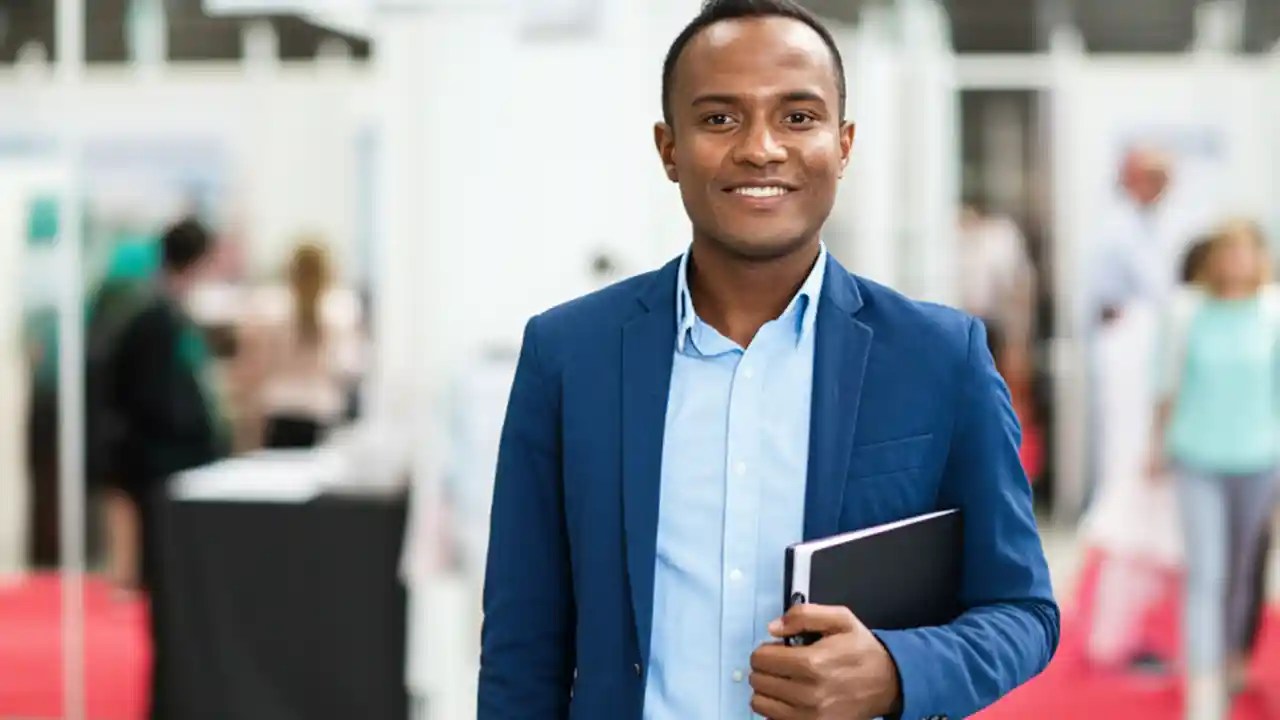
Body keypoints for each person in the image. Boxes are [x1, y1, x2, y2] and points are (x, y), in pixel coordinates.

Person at [478, 2, 1059, 718]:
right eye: (720, 118)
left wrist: (895, 671)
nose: (760, 148)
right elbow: (520, 649)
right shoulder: (570, 356)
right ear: (669, 148)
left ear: (843, 145)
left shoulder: (940, 359)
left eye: (798, 117)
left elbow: (1022, 611)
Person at [98, 217, 228, 719]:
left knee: (175, 597)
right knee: (169, 596)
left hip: (173, 473)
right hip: (164, 473)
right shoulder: (154, 321)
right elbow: (154, 402)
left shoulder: (164, 316)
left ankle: (174, 695)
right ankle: (169, 700)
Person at [1151, 220, 1280, 720]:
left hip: (1259, 459)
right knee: (1206, 572)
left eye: (1244, 252)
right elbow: (1166, 382)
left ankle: (1230, 659)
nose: (1235, 262)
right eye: (1227, 252)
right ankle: (1202, 687)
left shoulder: (1271, 313)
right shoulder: (1187, 311)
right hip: (1197, 457)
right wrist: (1155, 445)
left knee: (1243, 574)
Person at [234, 241, 362, 449]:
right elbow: (347, 368)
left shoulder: (269, 310)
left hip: (280, 412)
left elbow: (254, 369)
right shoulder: (341, 311)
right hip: (321, 411)